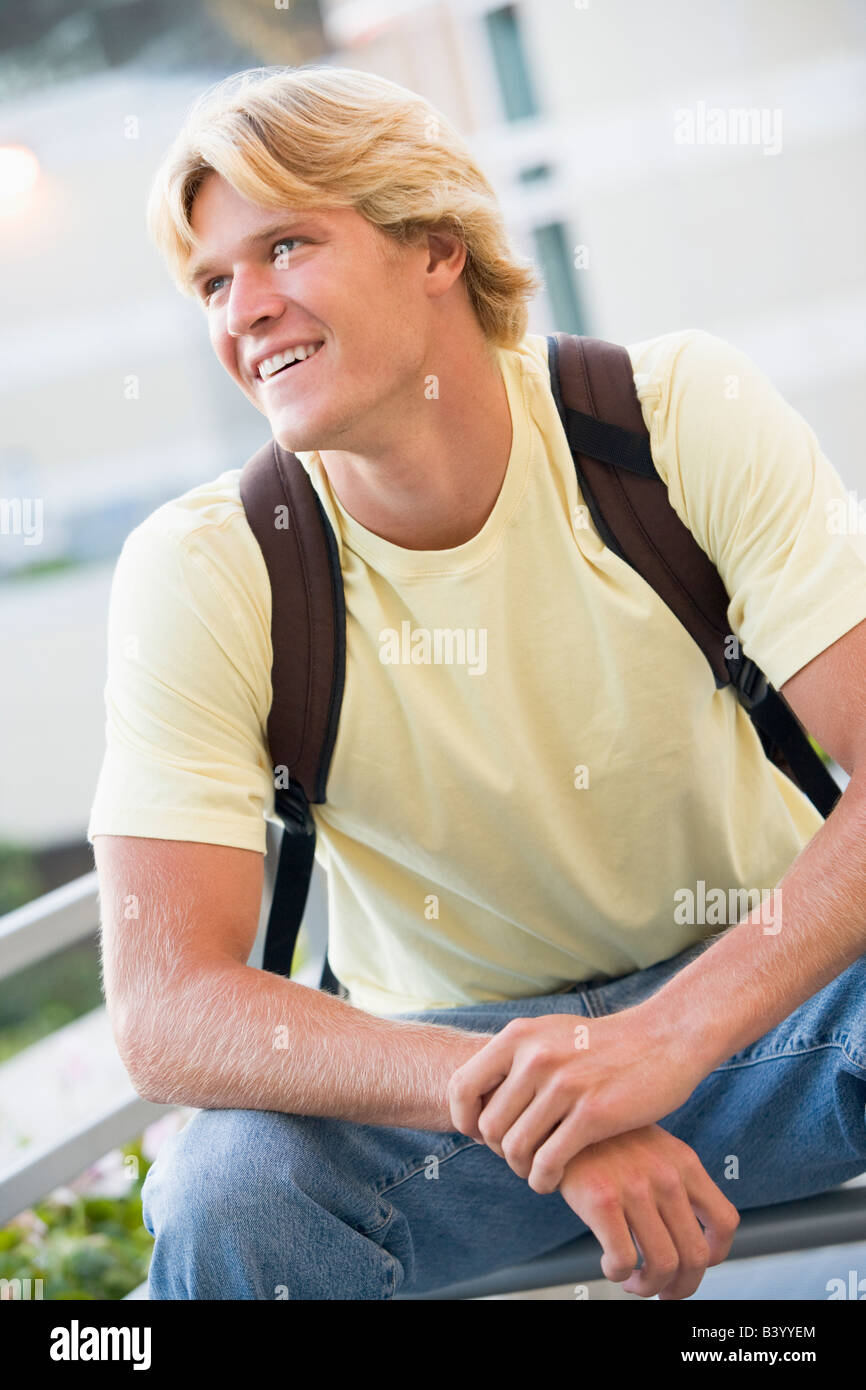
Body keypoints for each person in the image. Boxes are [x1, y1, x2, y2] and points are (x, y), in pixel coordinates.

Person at [88, 65, 866, 1301]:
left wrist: (662, 1042)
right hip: (450, 1091)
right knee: (226, 1194)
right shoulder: (203, 568)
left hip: (769, 1018)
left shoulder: (670, 415)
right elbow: (167, 1003)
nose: (245, 310)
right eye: (212, 282)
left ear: (434, 245)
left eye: (285, 245)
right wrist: (529, 1093)